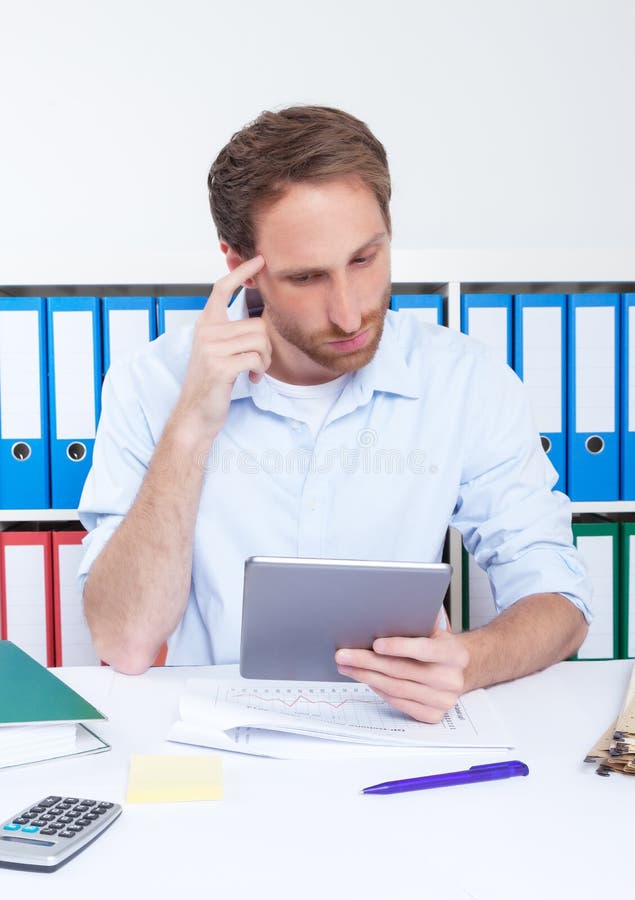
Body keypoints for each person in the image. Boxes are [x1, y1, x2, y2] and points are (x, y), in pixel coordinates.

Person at [78, 105, 591, 724]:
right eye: (307, 276)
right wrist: (190, 427)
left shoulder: (467, 382)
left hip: (402, 739)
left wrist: (471, 660)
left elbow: (561, 600)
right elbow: (124, 642)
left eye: (365, 259)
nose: (349, 314)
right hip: (222, 748)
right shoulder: (149, 386)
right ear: (239, 263)